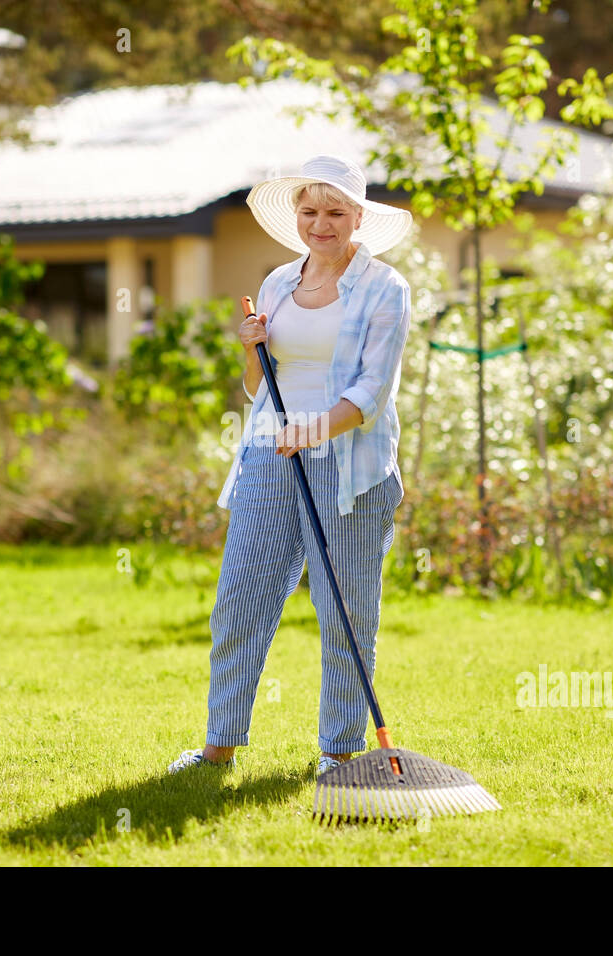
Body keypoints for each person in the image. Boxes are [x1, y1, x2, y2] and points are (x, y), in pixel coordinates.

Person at [167, 154, 414, 778]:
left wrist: (310, 430)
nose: (321, 223)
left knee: (345, 615)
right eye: (310, 211)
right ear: (296, 216)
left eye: (335, 212)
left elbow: (372, 391)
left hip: (349, 471)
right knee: (240, 601)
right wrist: (251, 349)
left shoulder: (386, 288)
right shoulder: (278, 283)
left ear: (358, 218)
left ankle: (337, 753)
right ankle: (218, 744)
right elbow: (258, 389)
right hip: (267, 459)